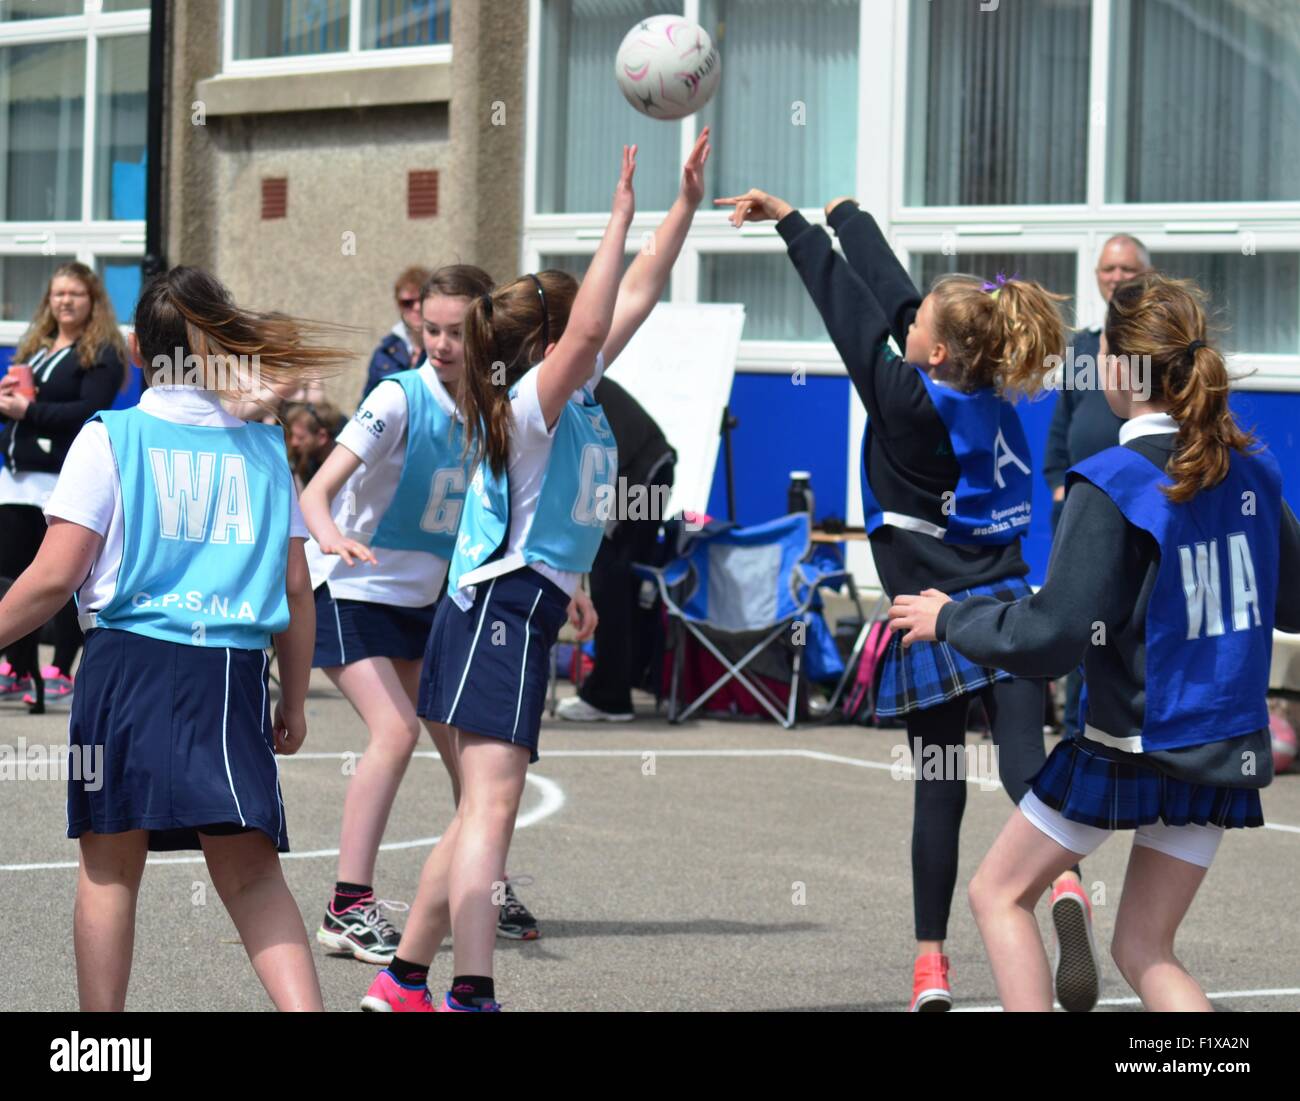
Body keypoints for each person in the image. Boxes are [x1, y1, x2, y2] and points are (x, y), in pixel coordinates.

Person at [716, 188, 1097, 1012]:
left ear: (929, 353)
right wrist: (848, 217)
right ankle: (1063, 877)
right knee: (1026, 758)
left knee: (939, 779)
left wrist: (796, 227)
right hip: (1007, 597)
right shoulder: (986, 378)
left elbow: (848, 308)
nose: (906, 321)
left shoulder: (903, 401)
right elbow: (897, 301)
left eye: (917, 325)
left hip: (933, 614)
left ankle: (932, 964)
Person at [360, 130, 711, 1013]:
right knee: (491, 810)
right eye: (576, 335)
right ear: (551, 344)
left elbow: (632, 294)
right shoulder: (532, 404)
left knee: (478, 808)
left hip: (511, 607)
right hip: (497, 610)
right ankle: (468, 991)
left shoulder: (575, 397)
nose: (597, 337)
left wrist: (683, 206)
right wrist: (618, 212)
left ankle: (404, 980)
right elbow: (595, 315)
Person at [889, 272, 1300, 1011]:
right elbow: (1294, 601)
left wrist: (953, 617)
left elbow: (1052, 634)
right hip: (1221, 747)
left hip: (1133, 740)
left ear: (1116, 366)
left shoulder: (1111, 479)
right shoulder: (1254, 469)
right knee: (1145, 948)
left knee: (998, 894)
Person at [0, 266, 354, 1010]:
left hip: (125, 667)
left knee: (108, 866)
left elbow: (51, 578)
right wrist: (294, 700)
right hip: (227, 671)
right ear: (220, 348)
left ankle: (102, 1047)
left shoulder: (110, 437)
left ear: (135, 349)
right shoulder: (265, 452)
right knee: (253, 874)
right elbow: (296, 588)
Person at [301, 263, 552, 960]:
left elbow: (525, 514)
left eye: (455, 330)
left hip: (423, 597)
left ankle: (482, 886)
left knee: (465, 750)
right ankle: (348, 903)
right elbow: (317, 491)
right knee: (395, 731)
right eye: (429, 328)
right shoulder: (399, 397)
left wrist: (576, 585)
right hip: (350, 587)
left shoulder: (498, 407)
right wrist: (328, 535)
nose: (440, 343)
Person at [0, 263, 126, 707]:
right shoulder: (35, 347)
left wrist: (26, 413)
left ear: (92, 300)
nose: (65, 301)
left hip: (62, 479)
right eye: (58, 294)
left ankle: (62, 668)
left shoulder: (104, 351)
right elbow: (24, 408)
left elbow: (88, 411)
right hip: (16, 480)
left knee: (66, 576)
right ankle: (18, 666)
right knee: (13, 577)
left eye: (75, 293)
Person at [1044, 235, 1151, 740]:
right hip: (1079, 506)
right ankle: (1073, 737)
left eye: (1127, 269)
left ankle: (1122, 731)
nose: (1116, 278)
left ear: (1146, 274)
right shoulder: (1084, 345)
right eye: (1108, 269)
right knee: (1075, 620)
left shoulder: (1155, 345)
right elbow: (1062, 424)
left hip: (1137, 508)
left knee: (1126, 625)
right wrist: (1057, 485)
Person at [557, 376, 675, 722]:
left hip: (637, 473)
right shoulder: (565, 370)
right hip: (650, 467)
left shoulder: (549, 376)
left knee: (611, 578)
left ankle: (610, 696)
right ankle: (627, 678)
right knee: (625, 581)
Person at [361, 266, 432, 402]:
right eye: (408, 303)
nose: (416, 307)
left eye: (422, 300)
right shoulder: (384, 353)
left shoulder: (444, 350)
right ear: (398, 305)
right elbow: (366, 404)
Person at [285, 400, 345, 489]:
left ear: (322, 437)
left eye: (300, 438)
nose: (293, 443)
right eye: (293, 435)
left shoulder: (342, 473)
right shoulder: (307, 459)